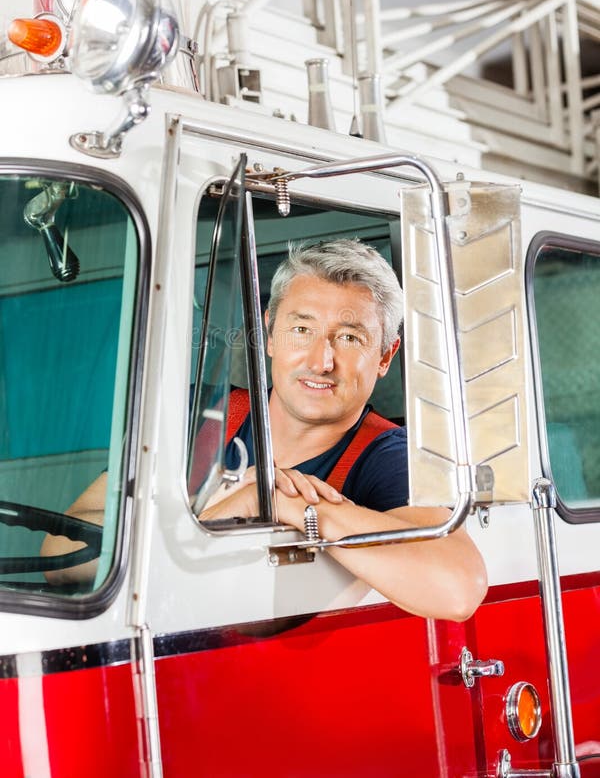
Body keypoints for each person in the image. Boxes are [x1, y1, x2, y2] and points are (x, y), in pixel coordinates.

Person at [42, 239, 487, 621]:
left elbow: (457, 590)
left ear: (387, 356)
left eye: (349, 338)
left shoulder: (390, 458)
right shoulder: (201, 418)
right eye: (301, 329)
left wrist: (290, 506)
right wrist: (223, 509)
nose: (320, 361)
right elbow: (60, 558)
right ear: (270, 335)